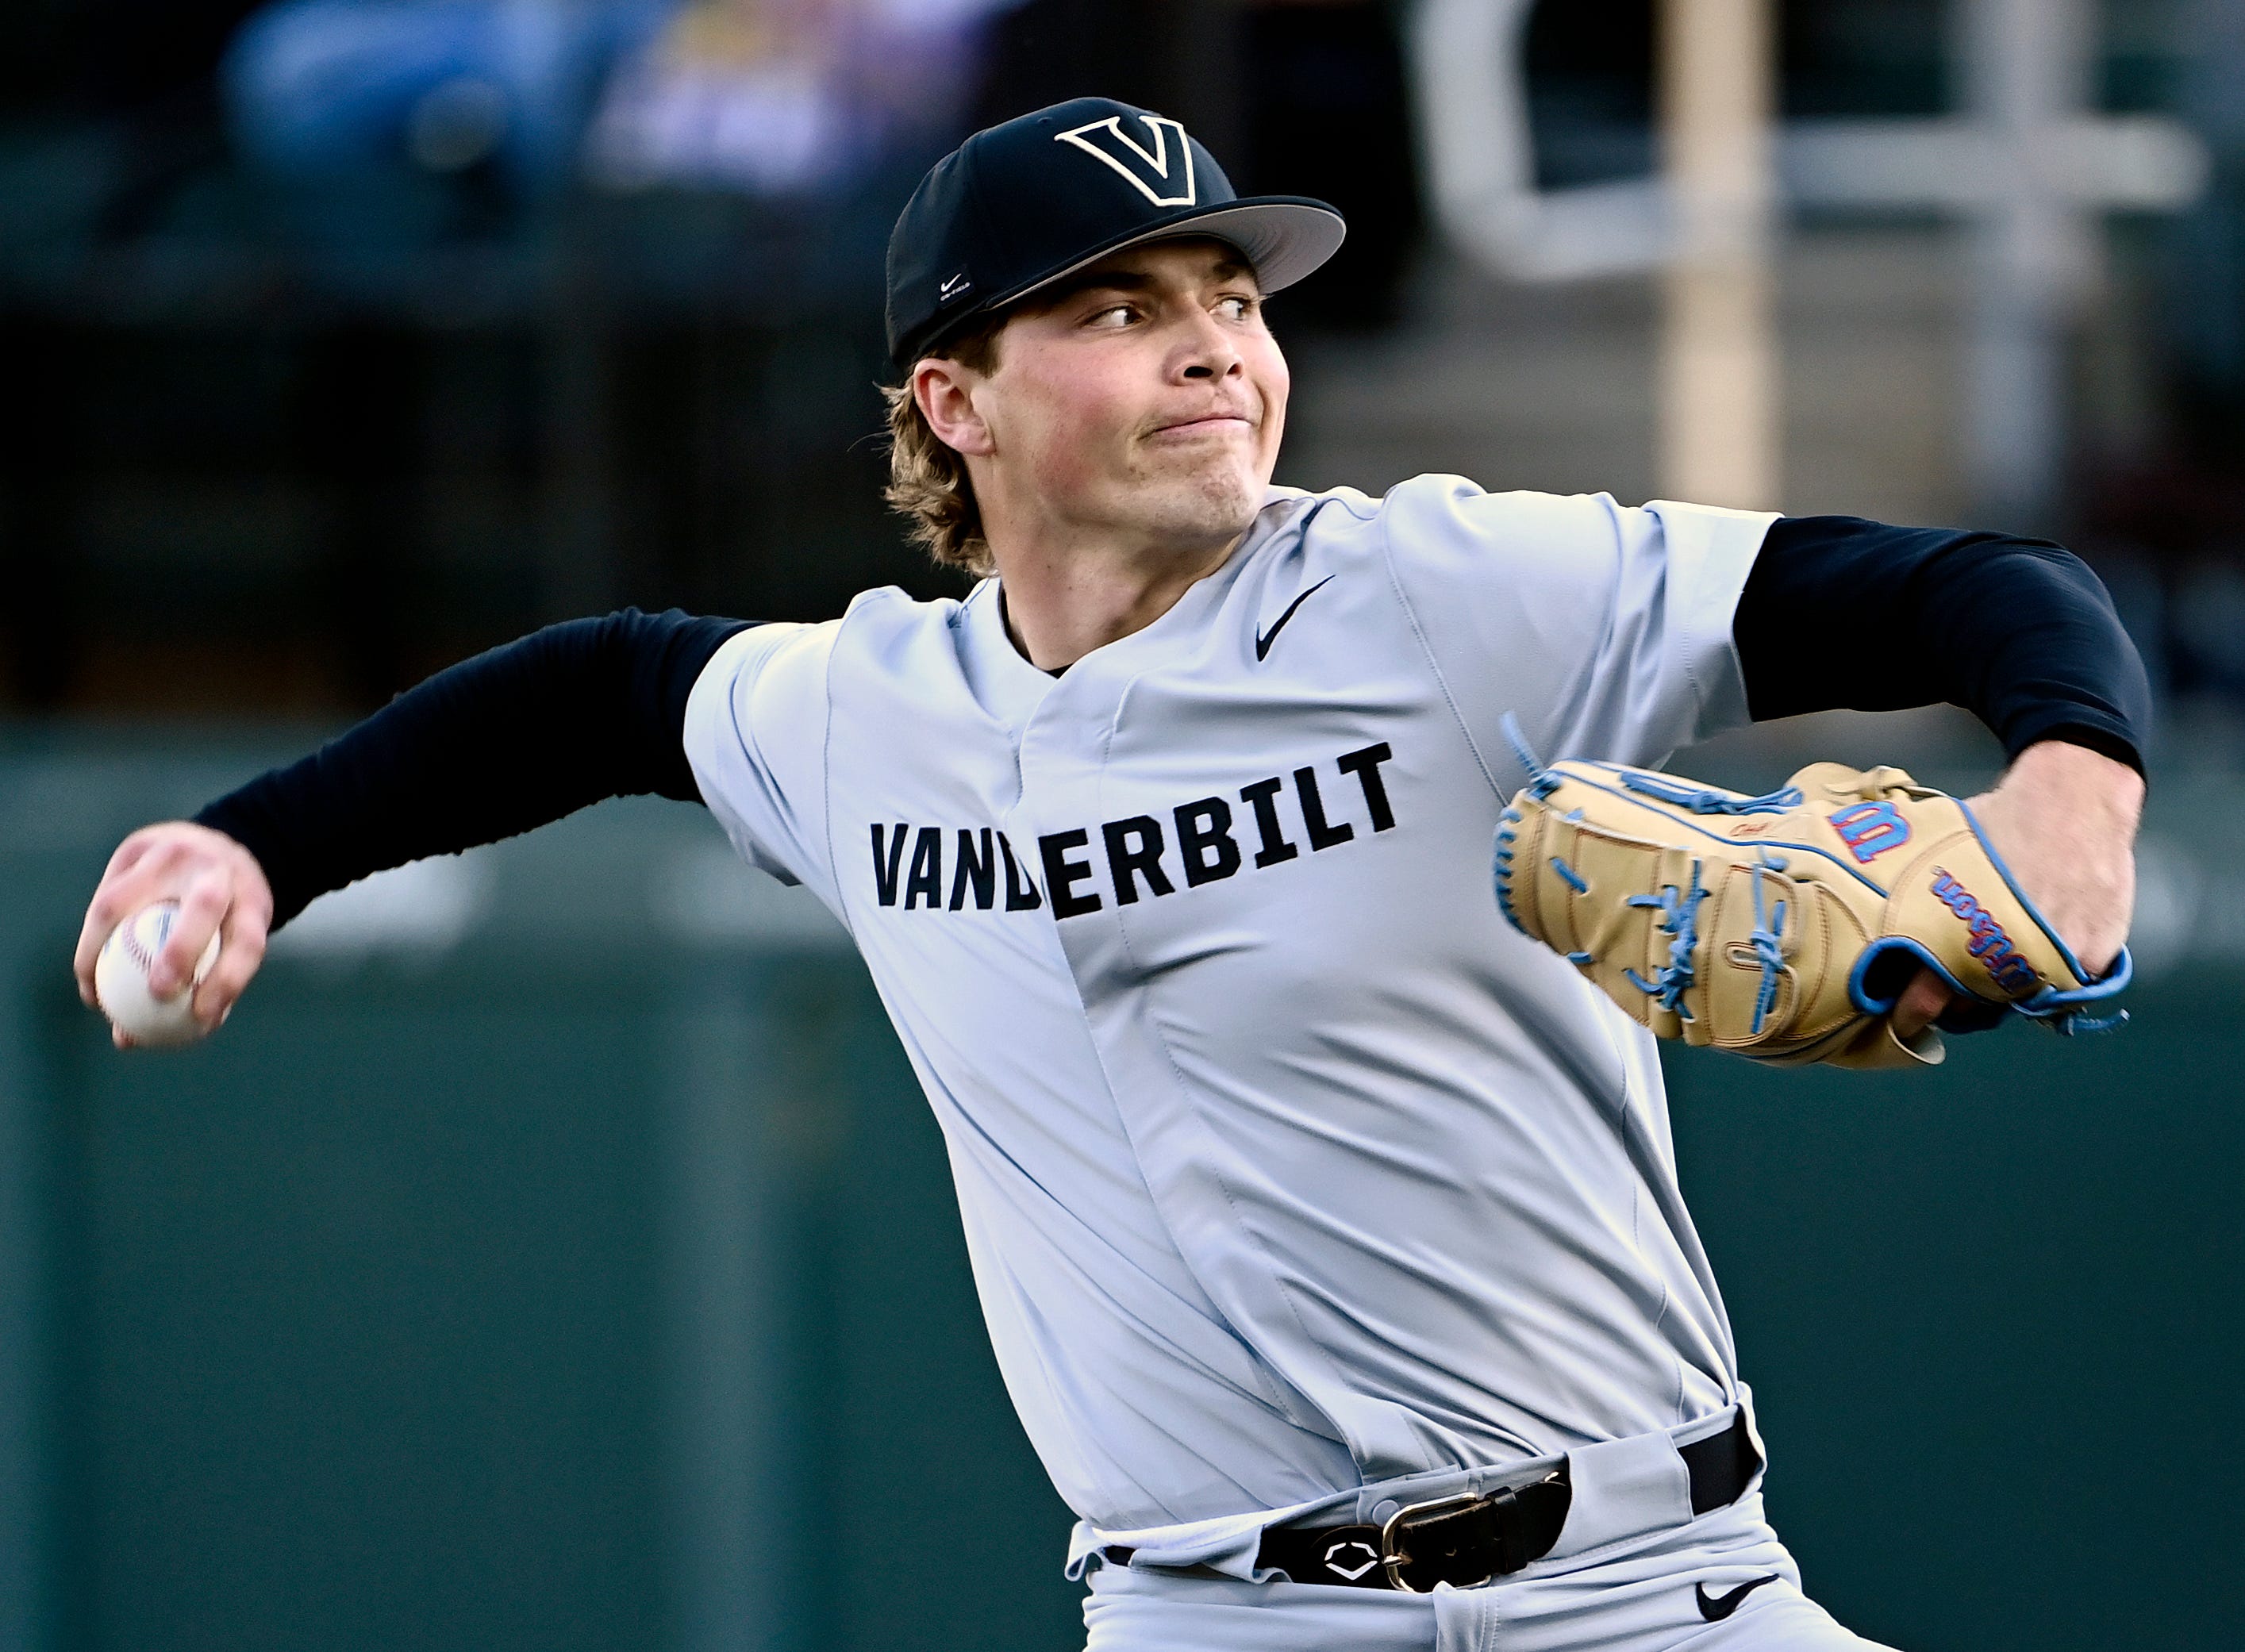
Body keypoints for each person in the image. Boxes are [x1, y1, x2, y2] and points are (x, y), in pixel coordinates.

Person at [75, 98, 2147, 1651]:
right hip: (1203, 1615)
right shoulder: (868, 713)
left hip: (1637, 1585)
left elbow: (1971, 588)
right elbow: (598, 690)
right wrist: (262, 841)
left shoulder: (1443, 592)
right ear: (948, 397)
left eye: (1235, 299)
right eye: (1121, 306)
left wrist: (2069, 801)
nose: (1217, 347)